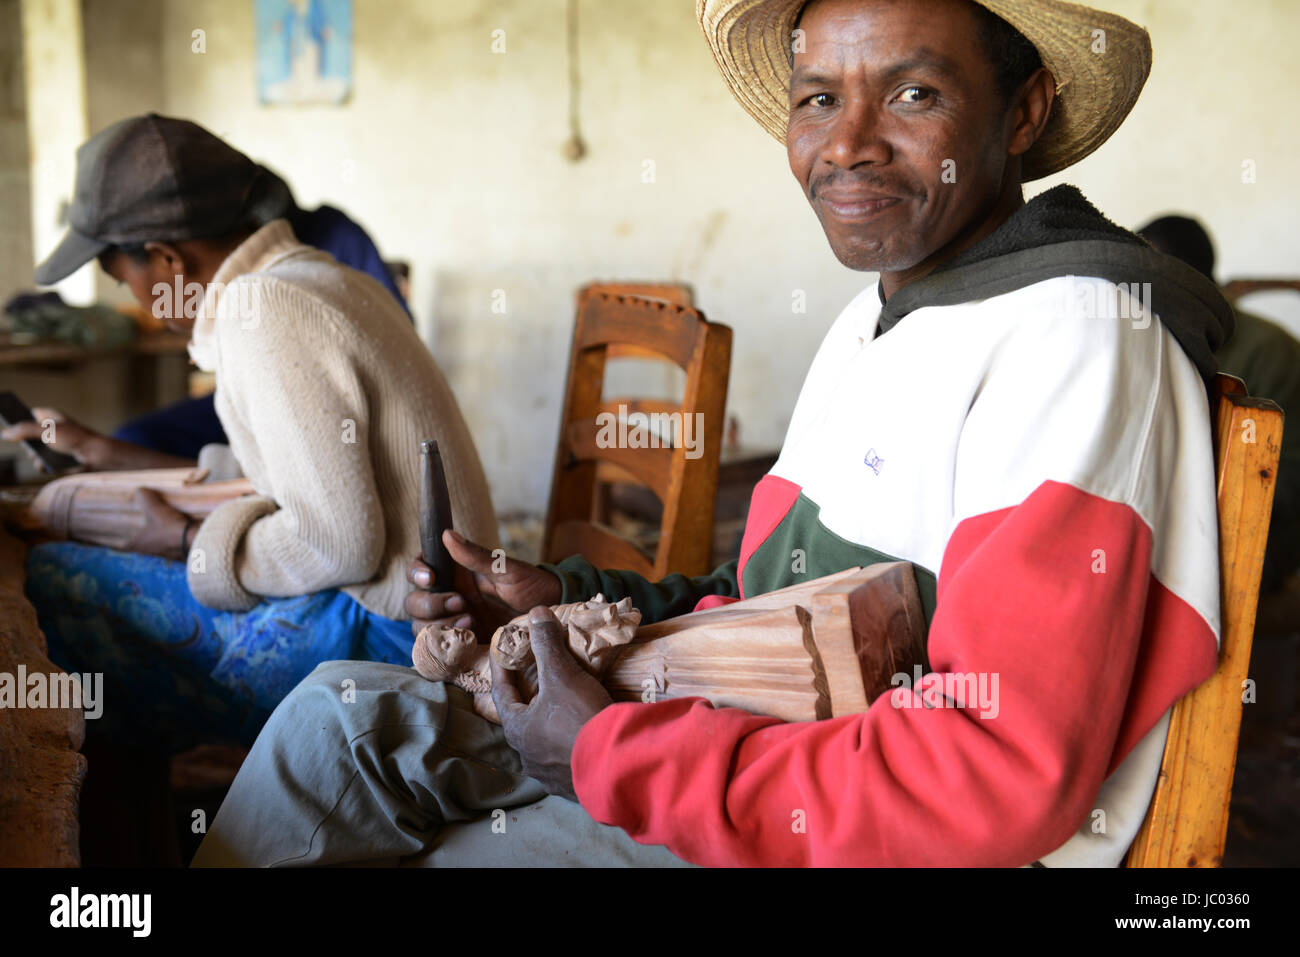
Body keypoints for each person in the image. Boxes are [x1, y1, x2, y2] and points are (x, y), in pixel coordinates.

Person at [194, 0, 1230, 868]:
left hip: (859, 837)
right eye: (818, 99)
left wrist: (608, 751)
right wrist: (560, 597)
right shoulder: (875, 321)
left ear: (1023, 111)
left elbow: (993, 775)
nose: (848, 142)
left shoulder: (1077, 341)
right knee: (335, 721)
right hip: (750, 756)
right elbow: (766, 612)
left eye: (913, 94)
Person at [4, 114, 498, 752]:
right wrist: (104, 453)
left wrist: (186, 540)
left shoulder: (261, 312)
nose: (131, 295)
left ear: (166, 259)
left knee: (47, 582)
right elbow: (289, 475)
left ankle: (130, 817)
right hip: (435, 615)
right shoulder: (319, 278)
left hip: (394, 643)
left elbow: (338, 545)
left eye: (120, 276)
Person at [112, 160, 411, 461]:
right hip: (264, 393)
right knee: (137, 437)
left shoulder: (319, 247)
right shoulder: (230, 282)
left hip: (330, 397)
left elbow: (391, 335)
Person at [1138, 214, 1300, 595]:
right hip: (1172, 528)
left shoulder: (1269, 352)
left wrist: (1190, 503)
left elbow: (1290, 481)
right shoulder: (1150, 342)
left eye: (1150, 282)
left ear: (1194, 282)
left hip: (1257, 536)